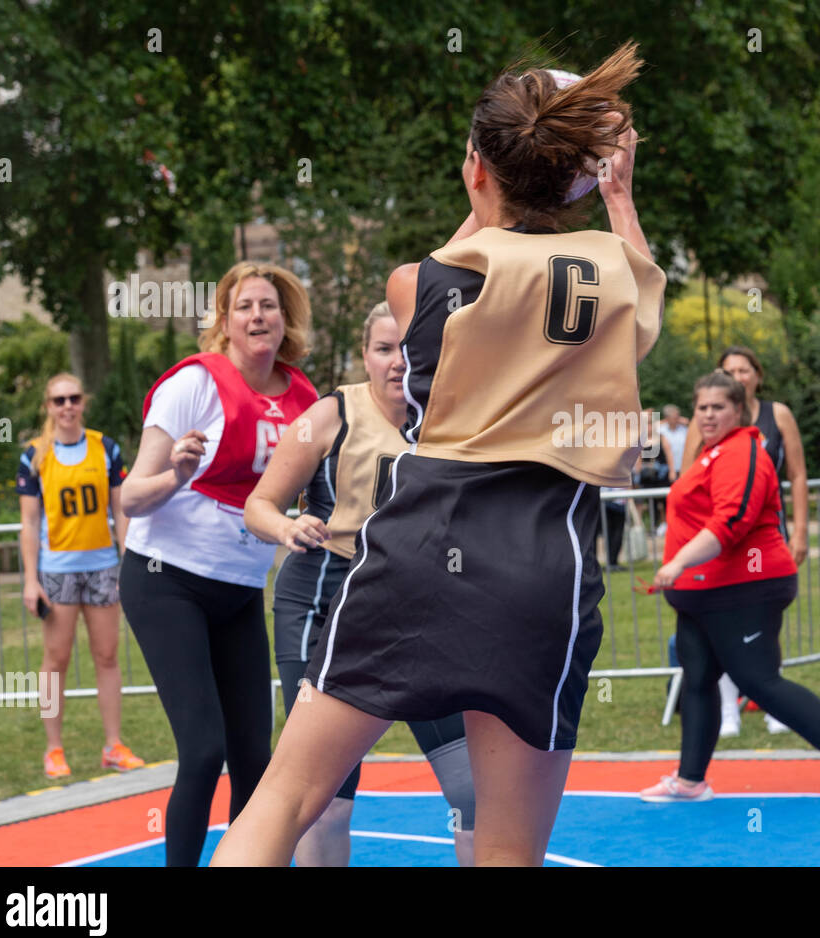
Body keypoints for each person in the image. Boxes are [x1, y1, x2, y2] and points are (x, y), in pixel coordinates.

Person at [210, 43, 665, 867]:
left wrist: (497, 171)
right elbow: (627, 278)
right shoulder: (620, 276)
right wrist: (615, 194)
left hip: (420, 539)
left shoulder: (415, 284)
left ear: (477, 169)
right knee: (507, 850)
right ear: (585, 179)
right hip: (543, 560)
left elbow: (460, 257)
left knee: (285, 797)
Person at [246, 301, 476, 866]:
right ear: (365, 357)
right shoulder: (329, 414)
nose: (399, 362)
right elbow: (259, 504)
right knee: (322, 796)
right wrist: (287, 524)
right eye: (383, 348)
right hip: (325, 603)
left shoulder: (457, 416)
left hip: (416, 609)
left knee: (474, 791)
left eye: (409, 347)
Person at [120, 262, 318, 866]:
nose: (258, 316)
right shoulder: (195, 385)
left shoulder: (305, 400)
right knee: (204, 750)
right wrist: (177, 474)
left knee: (255, 758)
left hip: (238, 592)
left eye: (269, 306)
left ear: (286, 320)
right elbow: (129, 496)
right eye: (245, 307)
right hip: (166, 580)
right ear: (225, 323)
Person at [640, 371, 820, 802]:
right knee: (698, 680)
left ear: (739, 409)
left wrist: (678, 562)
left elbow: (732, 520)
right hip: (703, 593)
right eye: (702, 407)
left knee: (759, 680)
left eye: (718, 407)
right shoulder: (709, 454)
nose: (708, 415)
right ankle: (691, 779)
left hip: (747, 586)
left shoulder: (742, 452)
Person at [15, 374, 141, 778]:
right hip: (57, 571)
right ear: (48, 407)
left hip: (102, 565)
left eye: (73, 398)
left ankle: (113, 745)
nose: (66, 406)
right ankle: (53, 749)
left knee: (107, 656)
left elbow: (121, 511)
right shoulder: (35, 455)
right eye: (58, 400)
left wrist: (128, 564)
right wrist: (31, 580)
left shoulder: (105, 449)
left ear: (83, 402)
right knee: (56, 660)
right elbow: (29, 523)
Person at [680, 346, 809, 737]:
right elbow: (685, 479)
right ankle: (727, 708)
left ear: (757, 374)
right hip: (718, 539)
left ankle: (772, 702)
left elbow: (799, 474)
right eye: (728, 370)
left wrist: (801, 531)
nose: (737, 375)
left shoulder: (777, 414)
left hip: (764, 537)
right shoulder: (704, 422)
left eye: (744, 369)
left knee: (765, 620)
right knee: (719, 622)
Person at [655, 404, 688, 481]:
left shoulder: (684, 429)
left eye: (678, 416)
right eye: (674, 417)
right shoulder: (662, 430)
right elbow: (650, 426)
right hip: (668, 469)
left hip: (684, 467)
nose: (677, 419)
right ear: (667, 418)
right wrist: (672, 470)